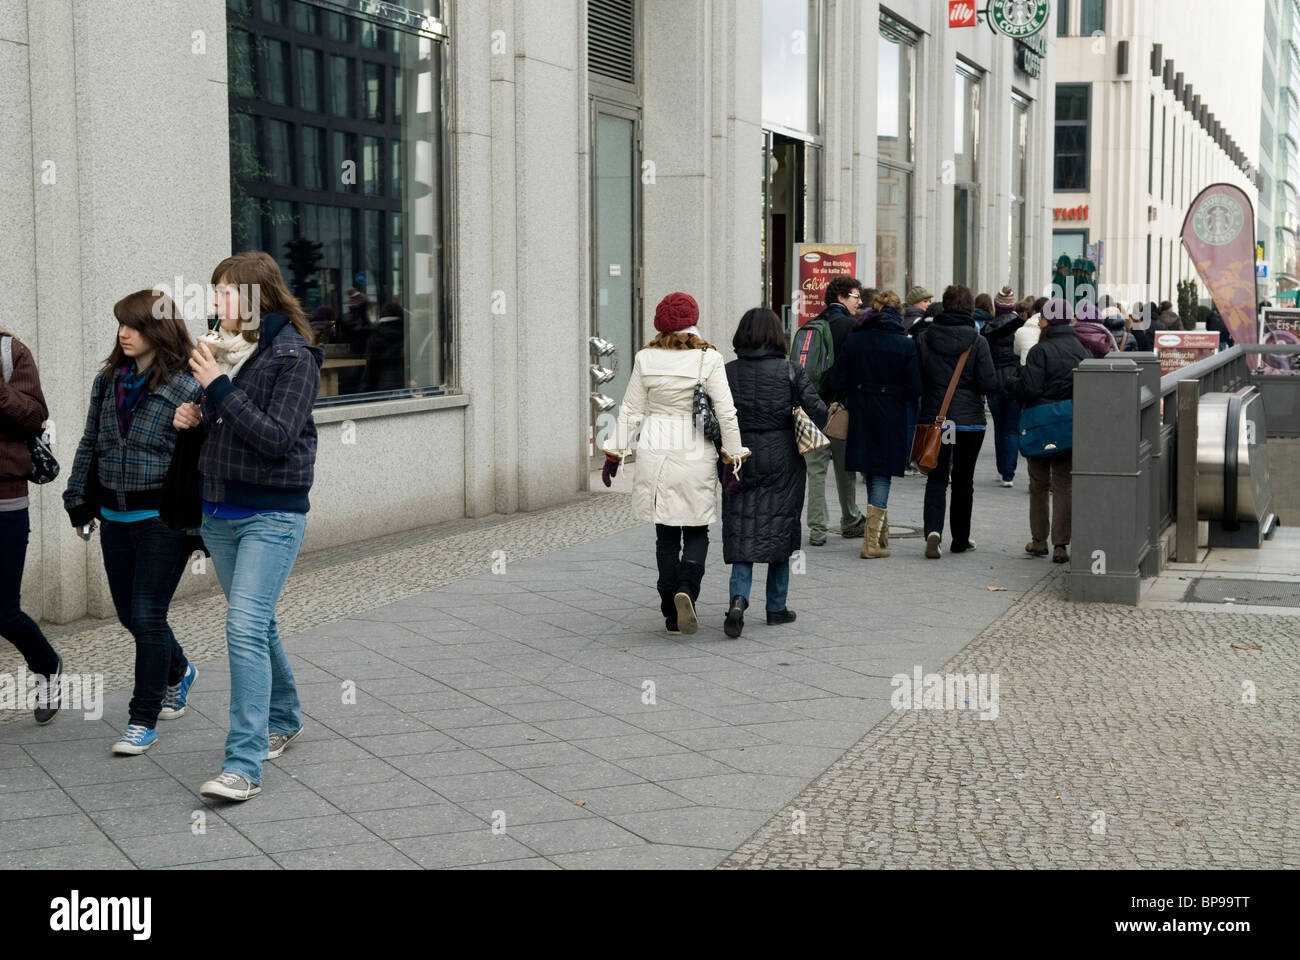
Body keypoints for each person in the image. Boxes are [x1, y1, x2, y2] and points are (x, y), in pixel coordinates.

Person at [174, 251, 323, 802]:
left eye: (225, 293)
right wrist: (193, 415)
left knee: (242, 627)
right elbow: (224, 427)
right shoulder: (234, 353)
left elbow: (275, 438)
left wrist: (216, 387)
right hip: (219, 514)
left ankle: (243, 765)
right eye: (214, 293)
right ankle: (285, 718)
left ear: (256, 298)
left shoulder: (293, 357)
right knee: (257, 625)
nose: (215, 304)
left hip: (272, 515)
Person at [63, 291, 201, 754]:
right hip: (114, 516)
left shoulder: (187, 385)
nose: (124, 333)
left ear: (158, 330)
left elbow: (198, 456)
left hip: (162, 519)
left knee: (146, 616)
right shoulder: (108, 381)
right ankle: (180, 670)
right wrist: (78, 499)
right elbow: (90, 442)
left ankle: (142, 719)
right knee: (130, 615)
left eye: (135, 325)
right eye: (121, 324)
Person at [601, 292, 749, 636]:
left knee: (665, 531)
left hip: (656, 449)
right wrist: (734, 458)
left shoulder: (645, 357)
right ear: (693, 322)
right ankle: (687, 588)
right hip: (695, 450)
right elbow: (726, 413)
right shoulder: (708, 358)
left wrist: (614, 453)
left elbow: (630, 410)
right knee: (696, 527)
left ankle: (670, 607)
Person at [720, 308, 825, 637]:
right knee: (780, 529)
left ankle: (738, 599)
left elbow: (714, 418)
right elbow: (818, 413)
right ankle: (776, 607)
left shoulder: (726, 373)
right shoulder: (791, 371)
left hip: (740, 457)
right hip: (783, 458)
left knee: (742, 529)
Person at [0, 323, 63, 725]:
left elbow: (34, 416)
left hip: (5, 500)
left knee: (3, 610)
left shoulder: (10, 353)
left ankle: (46, 664)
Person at [830, 291, 920, 559]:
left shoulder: (856, 339)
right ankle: (871, 543)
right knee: (881, 472)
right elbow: (915, 387)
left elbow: (838, 380)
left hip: (861, 411)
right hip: (891, 413)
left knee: (871, 468)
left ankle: (880, 532)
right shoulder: (905, 344)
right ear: (898, 313)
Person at [914, 285, 999, 559]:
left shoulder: (924, 339)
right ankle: (960, 539)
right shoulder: (978, 341)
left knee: (936, 478)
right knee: (963, 480)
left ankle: (933, 532)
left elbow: (917, 381)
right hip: (968, 423)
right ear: (969, 308)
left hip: (936, 420)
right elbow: (988, 382)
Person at [1006, 298, 1090, 564]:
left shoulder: (1040, 352)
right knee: (1064, 485)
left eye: (1042, 318)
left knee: (1039, 483)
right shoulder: (1082, 350)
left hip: (1040, 424)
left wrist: (1012, 383)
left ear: (1048, 321)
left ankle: (1039, 540)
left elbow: (1030, 388)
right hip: (1069, 423)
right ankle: (1061, 544)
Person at [799, 276, 866, 546]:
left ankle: (817, 529)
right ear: (841, 297)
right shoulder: (851, 326)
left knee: (815, 470)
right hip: (839, 407)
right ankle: (850, 520)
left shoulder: (810, 325)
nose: (860, 302)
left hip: (810, 406)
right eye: (855, 296)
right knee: (844, 468)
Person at [982, 286, 1026, 487]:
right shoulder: (1021, 328)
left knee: (999, 428)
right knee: (1011, 429)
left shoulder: (987, 329)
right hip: (1014, 382)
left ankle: (1001, 470)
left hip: (994, 382)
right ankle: (1009, 473)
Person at [363, 302, 406, 391]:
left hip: (383, 382)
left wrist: (364, 388)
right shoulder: (407, 334)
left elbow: (371, 367)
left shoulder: (375, 336)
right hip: (404, 380)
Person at [1014, 297, 1049, 364]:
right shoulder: (1052, 331)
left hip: (1025, 369)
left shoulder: (1020, 331)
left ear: (1033, 311)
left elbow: (1016, 351)